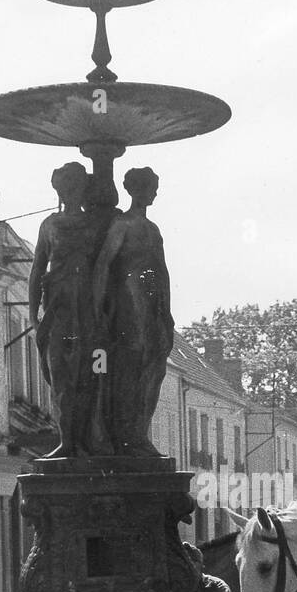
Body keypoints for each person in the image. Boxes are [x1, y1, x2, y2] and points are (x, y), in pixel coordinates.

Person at [28, 162, 116, 458]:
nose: (70, 193)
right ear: (58, 190)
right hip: (58, 309)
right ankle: (67, 442)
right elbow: (37, 268)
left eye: (75, 187)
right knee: (61, 377)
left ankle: (88, 440)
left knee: (89, 376)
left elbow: (107, 267)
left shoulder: (96, 224)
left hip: (88, 308)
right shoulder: (50, 225)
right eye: (65, 188)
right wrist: (33, 316)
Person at [91, 167, 173, 456]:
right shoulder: (122, 224)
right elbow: (103, 265)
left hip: (152, 303)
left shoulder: (153, 229)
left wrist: (167, 313)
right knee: (132, 368)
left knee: (155, 369)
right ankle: (128, 436)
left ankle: (139, 432)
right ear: (134, 190)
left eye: (154, 187)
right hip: (130, 301)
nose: (153, 193)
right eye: (149, 187)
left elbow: (162, 272)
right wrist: (99, 307)